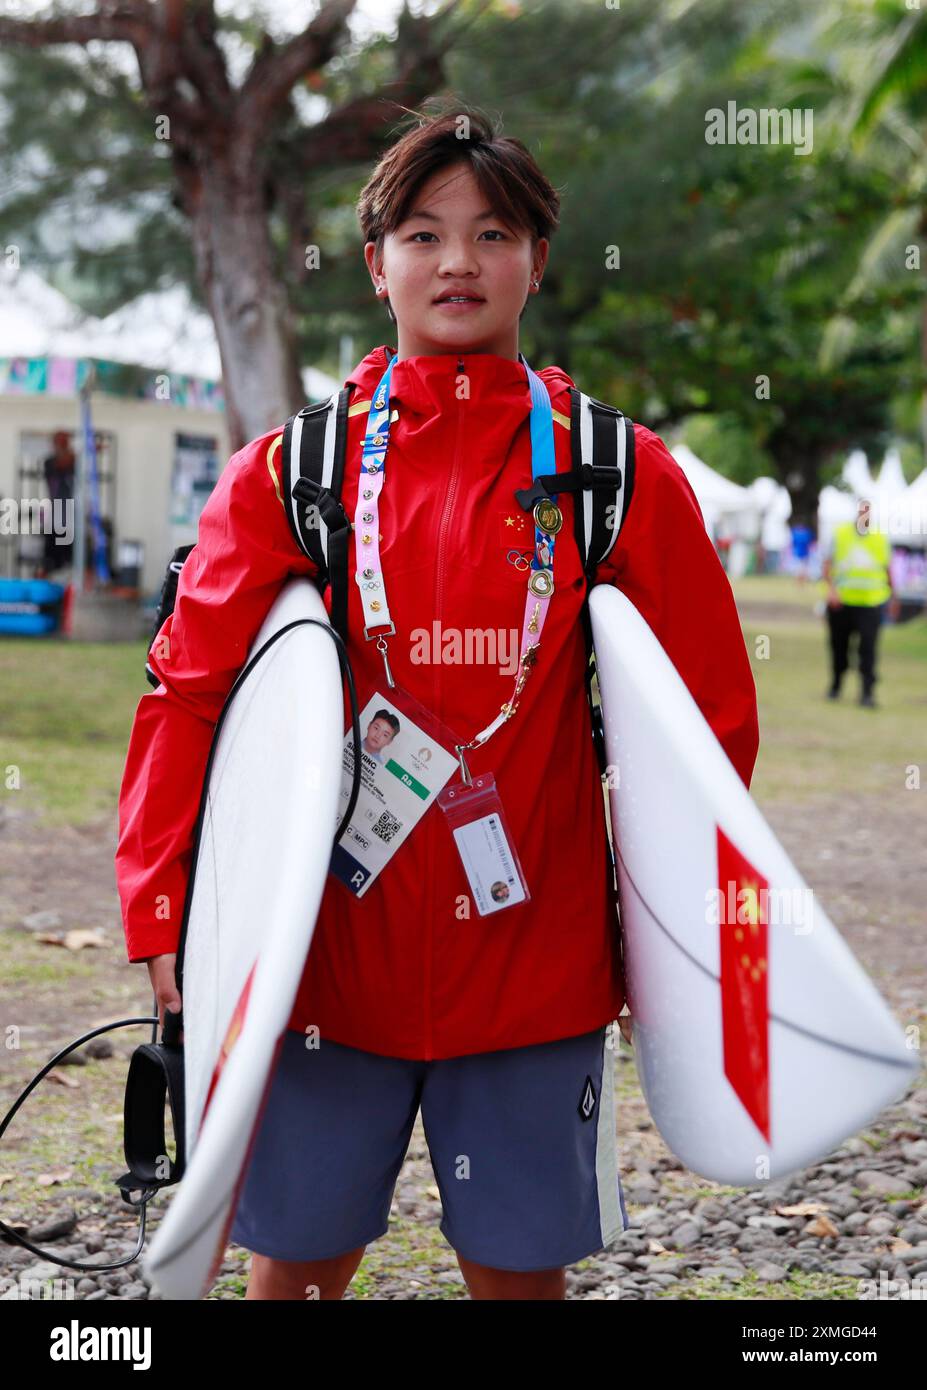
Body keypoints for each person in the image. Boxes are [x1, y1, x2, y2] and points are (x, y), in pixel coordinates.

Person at [116, 105, 760, 1302]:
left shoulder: (615, 472)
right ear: (376, 264)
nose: (457, 260)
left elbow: (711, 724)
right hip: (321, 970)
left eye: (492, 232)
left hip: (536, 967)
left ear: (536, 260)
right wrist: (165, 905)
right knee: (294, 1273)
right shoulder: (293, 471)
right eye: (423, 233)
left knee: (519, 1278)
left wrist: (678, 955)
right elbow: (187, 690)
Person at [821, 498, 899, 708]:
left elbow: (887, 569)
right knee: (839, 648)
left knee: (868, 650)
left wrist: (894, 596)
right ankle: (836, 686)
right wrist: (832, 592)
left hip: (870, 603)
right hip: (842, 603)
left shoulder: (880, 538)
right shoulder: (841, 534)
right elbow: (827, 565)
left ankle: (867, 692)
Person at [39, 430, 75, 576]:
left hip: (70, 520)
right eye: (60, 443)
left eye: (64, 443)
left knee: (68, 560)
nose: (62, 446)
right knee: (51, 560)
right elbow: (62, 464)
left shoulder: (74, 462)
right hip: (54, 520)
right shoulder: (50, 463)